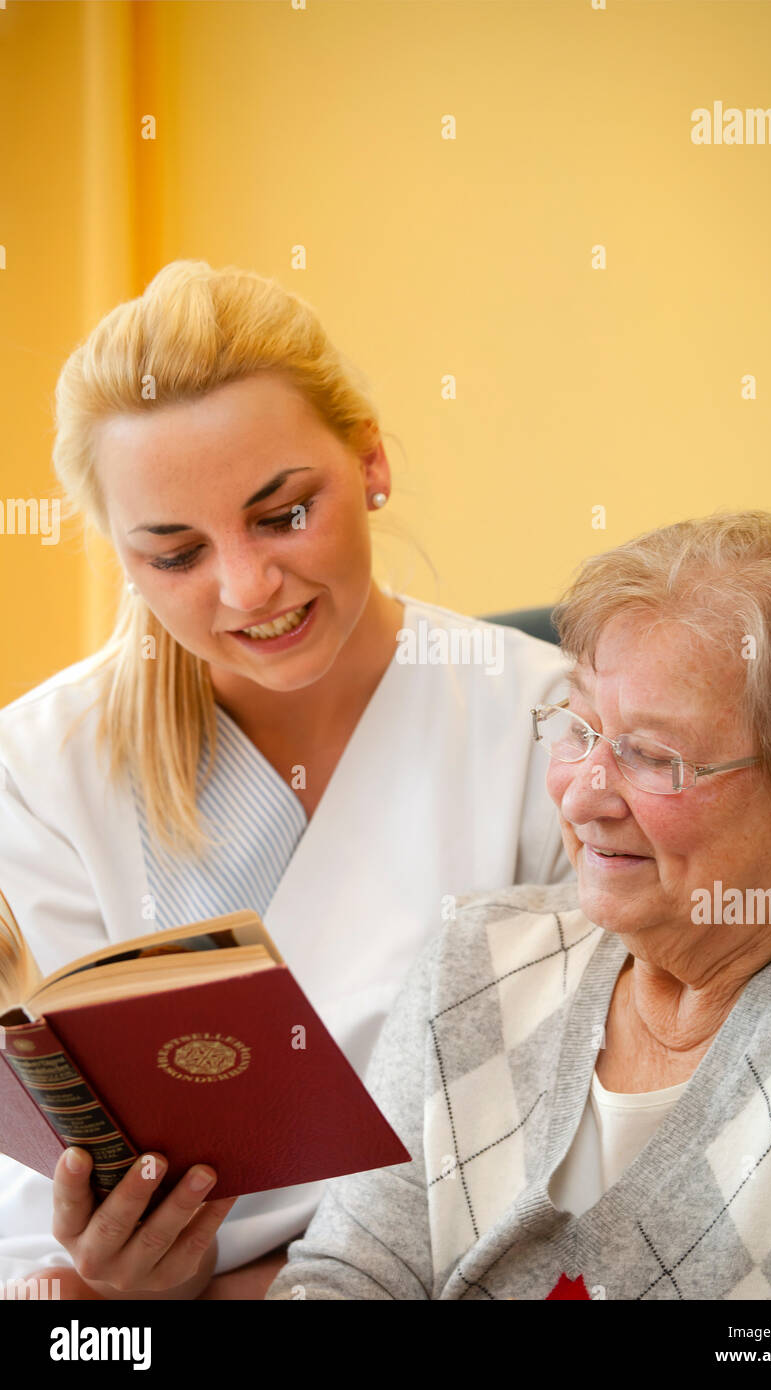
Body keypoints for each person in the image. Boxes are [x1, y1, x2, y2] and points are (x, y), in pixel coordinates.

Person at [0, 260, 572, 1299]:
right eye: (175, 555)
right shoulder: (42, 764)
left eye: (284, 514)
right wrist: (110, 1275)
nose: (248, 588)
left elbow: (568, 1128)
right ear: (125, 560)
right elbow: (47, 1180)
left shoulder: (545, 721)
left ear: (372, 464)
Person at [264, 510, 771, 1300]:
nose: (584, 794)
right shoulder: (476, 957)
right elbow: (342, 1277)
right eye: (578, 729)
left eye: (652, 755)